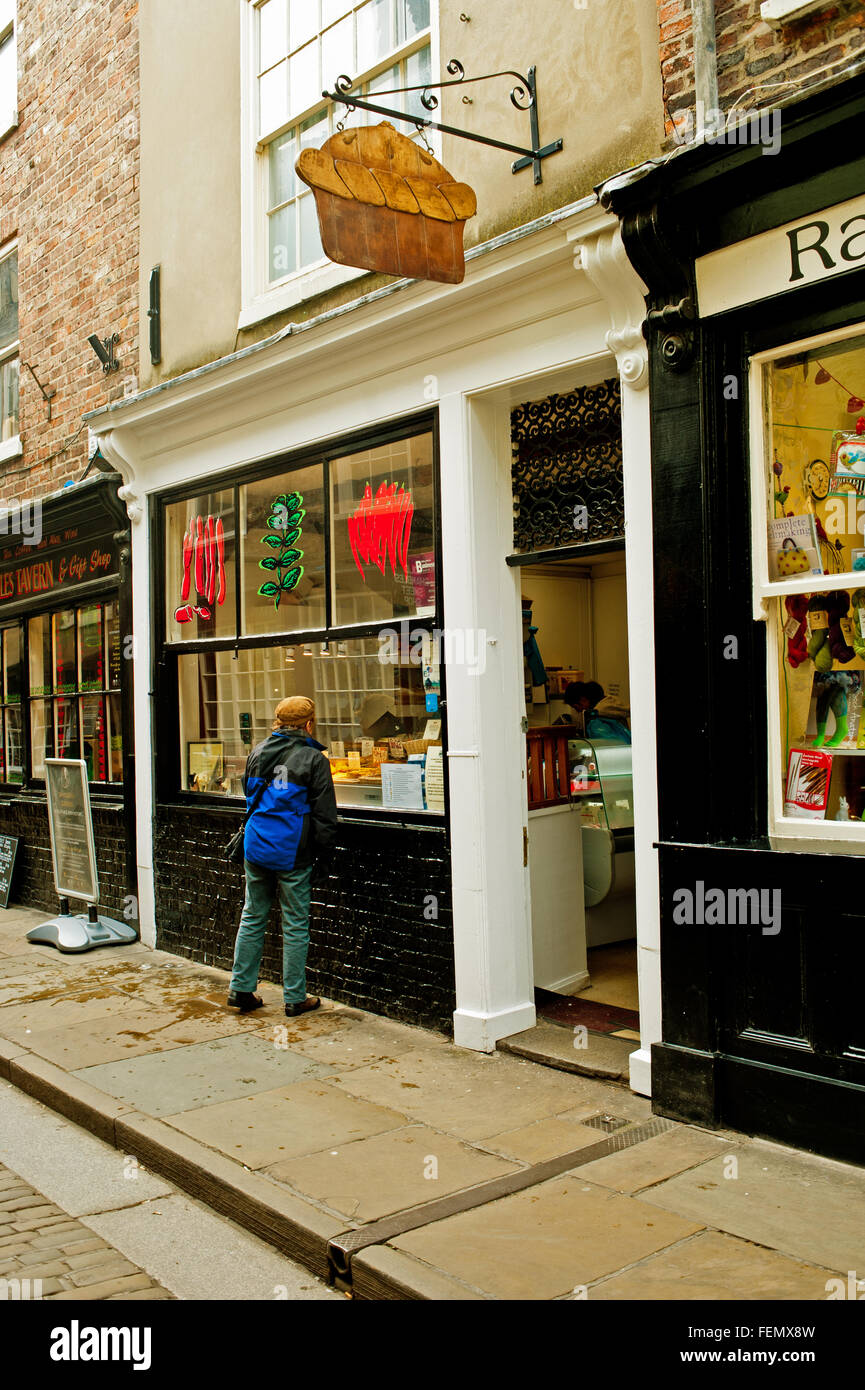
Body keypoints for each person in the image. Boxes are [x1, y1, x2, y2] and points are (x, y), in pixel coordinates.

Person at [227, 695, 337, 1018]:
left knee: (253, 914)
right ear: (308, 724)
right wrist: (325, 858)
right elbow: (325, 817)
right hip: (293, 853)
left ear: (277, 723)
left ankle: (240, 988)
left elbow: (249, 795)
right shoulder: (314, 759)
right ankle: (294, 997)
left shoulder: (258, 752)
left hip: (256, 848)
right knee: (295, 923)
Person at [555, 680, 632, 743]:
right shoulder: (611, 704)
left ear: (583, 700)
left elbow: (604, 743)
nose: (578, 711)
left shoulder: (596, 718)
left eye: (575, 707)